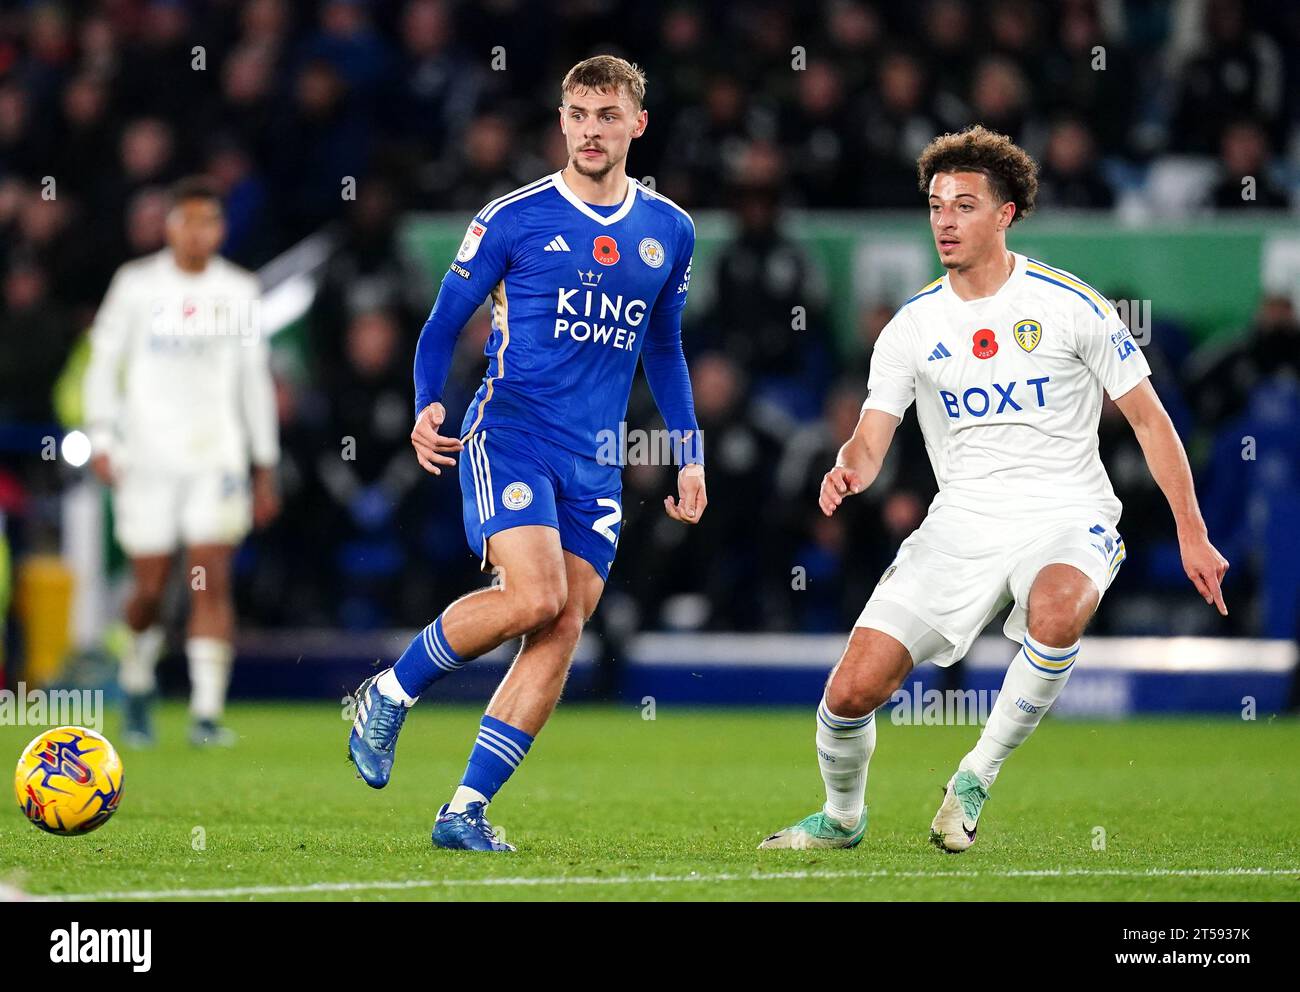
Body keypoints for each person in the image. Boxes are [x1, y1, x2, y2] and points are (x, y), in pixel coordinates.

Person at [760, 126, 1229, 853]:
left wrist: (1191, 530)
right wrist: (851, 464)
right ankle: (843, 817)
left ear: (1005, 214)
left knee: (1058, 609)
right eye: (937, 205)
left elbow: (1150, 419)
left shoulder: (1072, 304)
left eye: (964, 205)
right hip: (963, 522)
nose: (945, 220)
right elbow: (873, 432)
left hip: (1068, 511)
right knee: (849, 693)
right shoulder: (912, 326)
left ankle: (976, 775)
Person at [347, 56, 706, 851]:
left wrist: (690, 454)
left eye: (607, 115)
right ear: (562, 120)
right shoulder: (513, 217)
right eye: (577, 113)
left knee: (565, 624)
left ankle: (463, 811)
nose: (590, 129)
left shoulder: (670, 231)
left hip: (597, 459)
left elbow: (667, 348)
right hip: (510, 432)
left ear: (637, 125)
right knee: (537, 595)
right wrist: (425, 403)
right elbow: (442, 324)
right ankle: (390, 692)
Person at [84, 177, 280, 747]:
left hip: (214, 457)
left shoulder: (239, 289)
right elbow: (103, 365)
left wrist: (263, 463)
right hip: (147, 457)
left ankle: (205, 711)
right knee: (148, 587)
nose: (201, 232)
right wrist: (101, 435)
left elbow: (252, 380)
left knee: (210, 578)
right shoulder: (136, 285)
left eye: (211, 222)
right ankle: (139, 678)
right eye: (190, 220)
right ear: (170, 225)